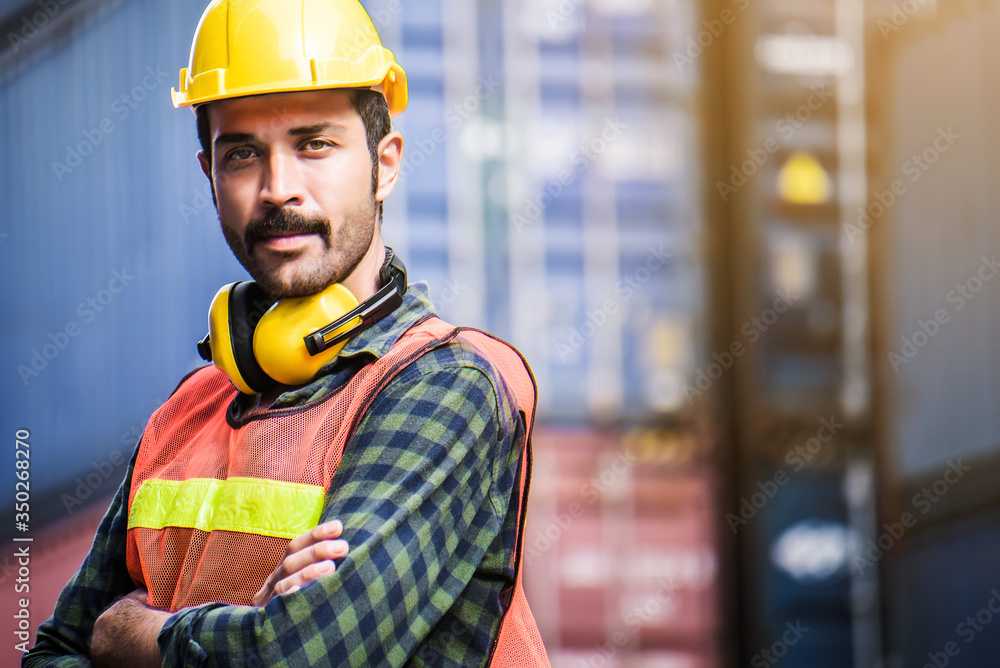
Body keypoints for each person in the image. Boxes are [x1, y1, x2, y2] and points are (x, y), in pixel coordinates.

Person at [23, 1, 548, 666]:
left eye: (313, 144)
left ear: (385, 164)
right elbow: (53, 653)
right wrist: (243, 633)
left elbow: (300, 655)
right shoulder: (187, 412)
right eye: (242, 153)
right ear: (209, 177)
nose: (278, 189)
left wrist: (134, 637)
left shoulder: (444, 389)